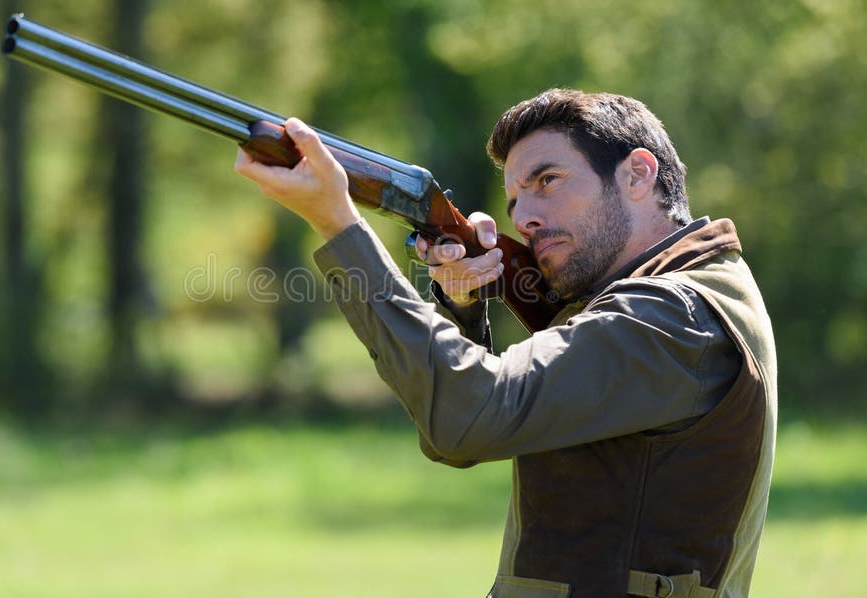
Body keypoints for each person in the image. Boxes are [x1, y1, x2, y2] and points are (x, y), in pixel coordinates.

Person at [234, 88, 776, 597]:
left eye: (548, 180)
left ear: (637, 174)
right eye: (514, 198)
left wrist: (339, 225)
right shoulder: (698, 287)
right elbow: (494, 416)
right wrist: (467, 307)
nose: (523, 216)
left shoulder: (671, 315)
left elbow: (468, 420)